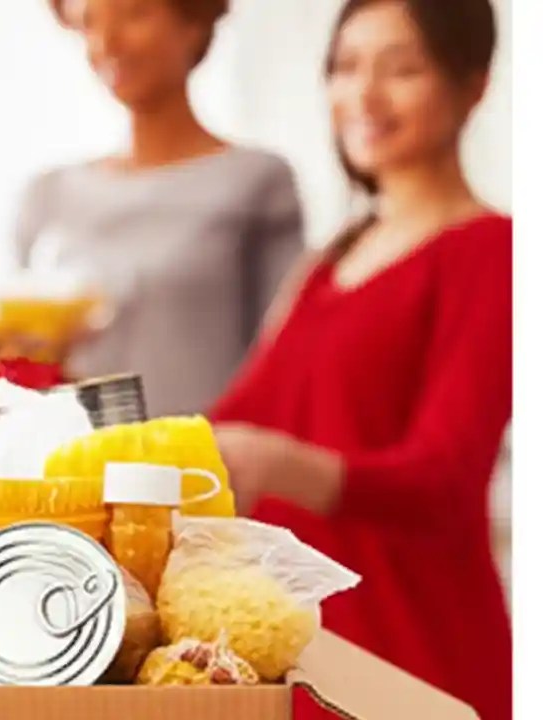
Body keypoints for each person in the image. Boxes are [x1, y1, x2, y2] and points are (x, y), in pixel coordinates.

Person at [209, 1, 509, 717]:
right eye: (345, 68)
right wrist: (60, 397)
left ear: (473, 86)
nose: (364, 96)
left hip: (418, 656)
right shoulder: (326, 265)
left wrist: (280, 465)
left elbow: (444, 480)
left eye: (401, 69)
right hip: (305, 655)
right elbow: (226, 427)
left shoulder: (495, 254)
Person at [12, 0, 306, 415]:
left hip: (205, 465)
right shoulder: (47, 194)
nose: (107, 42)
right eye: (89, 22)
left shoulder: (256, 182)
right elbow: (16, 377)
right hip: (76, 469)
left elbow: (285, 363)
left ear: (193, 24)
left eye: (133, 15)